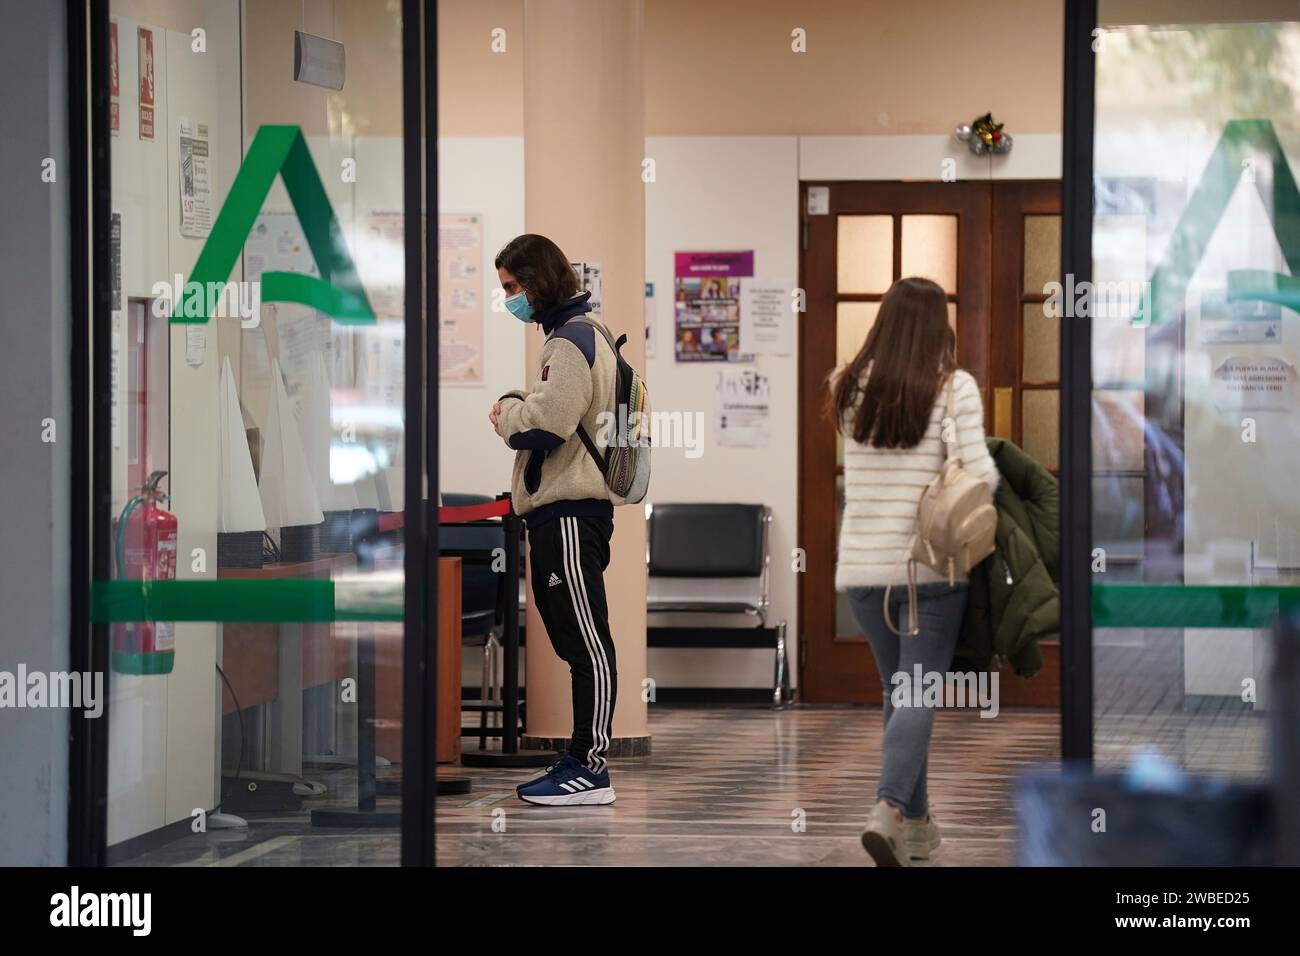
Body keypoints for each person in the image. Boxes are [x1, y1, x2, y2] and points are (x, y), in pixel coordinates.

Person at [830, 276, 998, 866]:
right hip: (927, 570)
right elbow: (979, 475)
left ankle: (918, 824)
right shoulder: (953, 389)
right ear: (939, 327)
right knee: (918, 690)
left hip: (861, 571)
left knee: (899, 693)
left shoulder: (848, 387)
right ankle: (889, 808)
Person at [489, 233, 619, 806]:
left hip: (569, 514)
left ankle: (590, 767)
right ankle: (579, 759)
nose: (512, 299)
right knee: (574, 635)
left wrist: (505, 412)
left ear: (539, 281)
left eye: (515, 288)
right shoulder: (585, 336)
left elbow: (546, 425)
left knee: (586, 639)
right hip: (564, 514)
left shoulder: (569, 342)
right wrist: (526, 399)